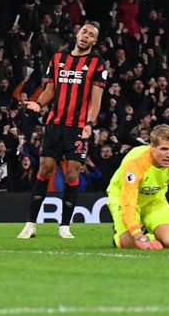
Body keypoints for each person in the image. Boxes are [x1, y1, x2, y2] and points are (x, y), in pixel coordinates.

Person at [19, 22, 106, 239]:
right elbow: (50, 90)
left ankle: (65, 226)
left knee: (72, 172)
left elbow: (96, 101)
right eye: (84, 31)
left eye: (91, 35)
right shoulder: (58, 59)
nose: (86, 36)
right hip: (55, 124)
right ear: (78, 33)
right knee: (45, 168)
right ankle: (30, 224)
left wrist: (89, 124)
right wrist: (39, 104)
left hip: (78, 128)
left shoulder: (97, 64)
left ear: (94, 41)